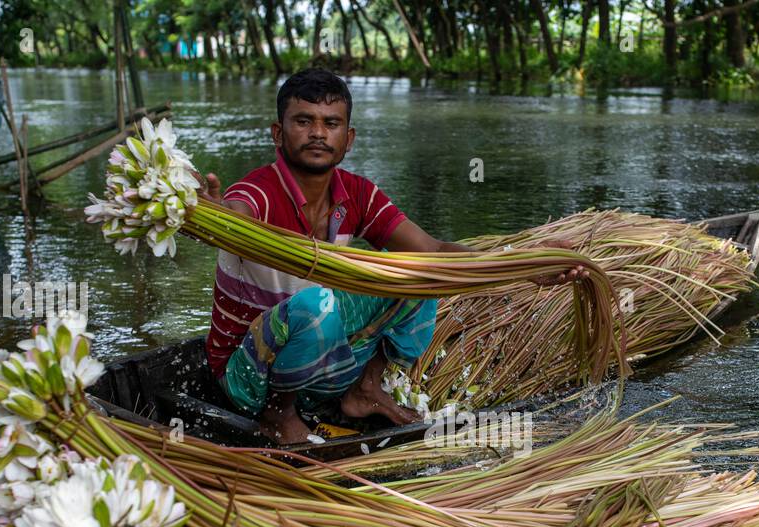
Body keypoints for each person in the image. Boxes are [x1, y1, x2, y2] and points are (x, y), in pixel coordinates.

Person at [198, 67, 584, 445]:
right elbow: (235, 216)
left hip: (316, 364)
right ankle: (278, 416)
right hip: (248, 377)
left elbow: (432, 250)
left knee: (420, 271)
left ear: (348, 139)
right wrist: (212, 216)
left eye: (331, 123)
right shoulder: (258, 192)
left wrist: (525, 264)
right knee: (317, 304)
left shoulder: (357, 193)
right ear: (278, 134)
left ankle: (365, 387)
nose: (318, 133)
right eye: (304, 121)